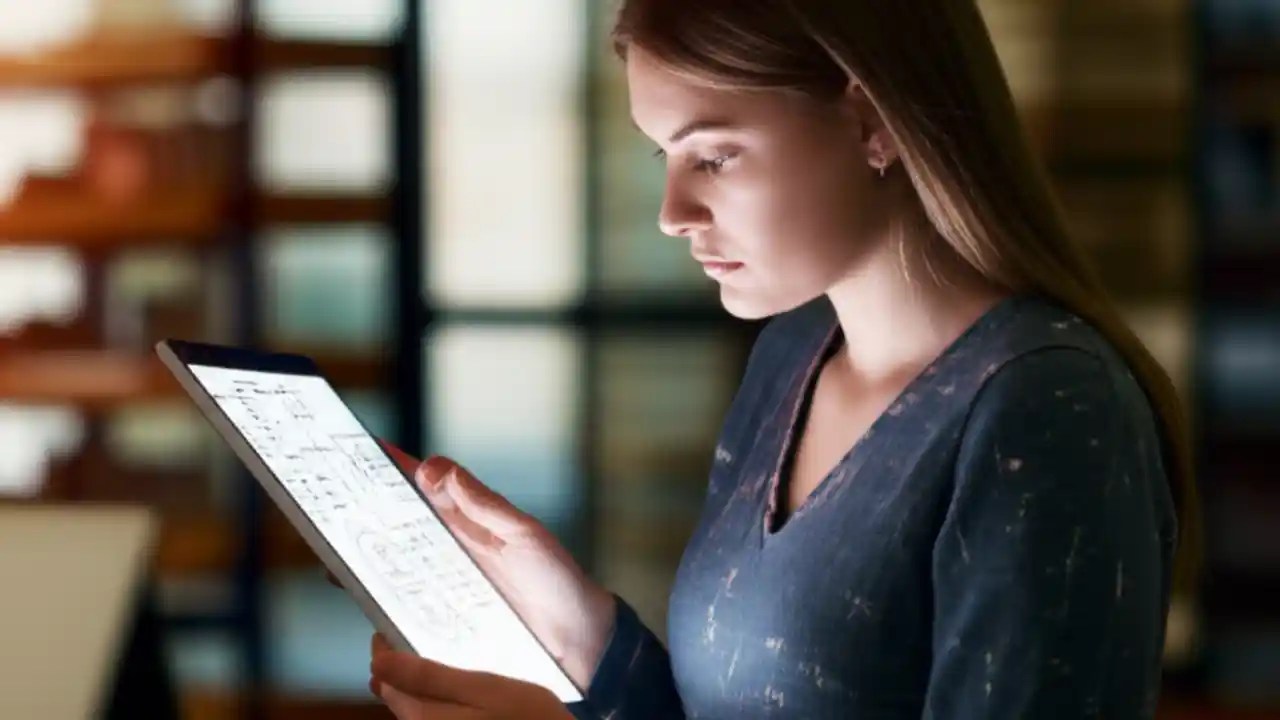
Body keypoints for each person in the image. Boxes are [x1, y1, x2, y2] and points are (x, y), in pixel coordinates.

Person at [365, 1, 1200, 718]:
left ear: (873, 120)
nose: (671, 212)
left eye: (714, 155)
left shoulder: (1046, 408)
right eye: (665, 155)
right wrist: (582, 632)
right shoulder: (793, 355)